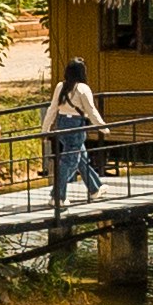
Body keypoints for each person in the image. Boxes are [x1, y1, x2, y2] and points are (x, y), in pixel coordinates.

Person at [42, 60, 109, 215]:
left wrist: (45, 130)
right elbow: (91, 111)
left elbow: (52, 110)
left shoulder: (60, 86)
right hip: (76, 126)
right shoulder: (82, 89)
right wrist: (102, 127)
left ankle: (95, 188)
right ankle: (58, 196)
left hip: (62, 124)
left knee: (81, 157)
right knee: (69, 162)